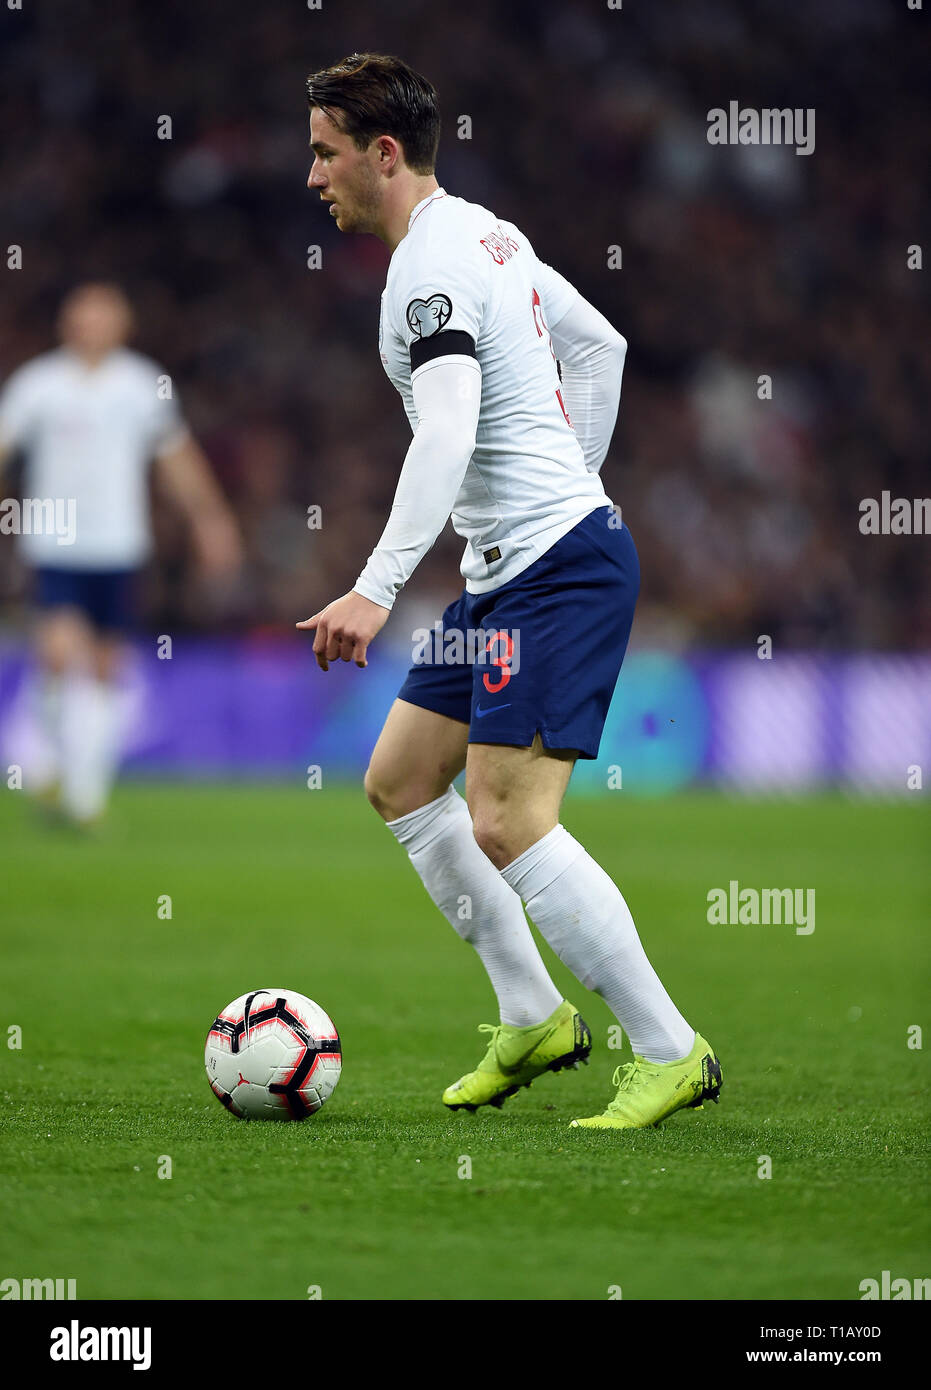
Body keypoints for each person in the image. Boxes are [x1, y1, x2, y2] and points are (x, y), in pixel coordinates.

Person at [297, 53, 722, 1130]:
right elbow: (599, 344)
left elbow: (443, 431)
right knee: (400, 780)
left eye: (324, 153)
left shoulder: (428, 273)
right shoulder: (491, 232)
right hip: (509, 573)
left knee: (505, 816)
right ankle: (532, 1012)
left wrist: (372, 587)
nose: (313, 177)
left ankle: (669, 1050)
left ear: (380, 154)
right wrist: (569, 474)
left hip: (554, 572)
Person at [0, 282, 241, 827]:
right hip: (55, 539)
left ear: (122, 324)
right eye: (82, 315)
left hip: (120, 544)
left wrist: (211, 521)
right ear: (67, 322)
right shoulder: (37, 384)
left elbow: (176, 457)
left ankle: (83, 797)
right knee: (59, 656)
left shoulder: (141, 384)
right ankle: (51, 767)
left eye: (103, 315)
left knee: (107, 669)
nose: (91, 325)